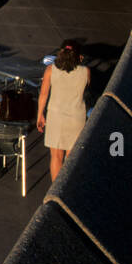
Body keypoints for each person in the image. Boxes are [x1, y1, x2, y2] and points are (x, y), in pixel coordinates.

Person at [37, 39, 91, 183]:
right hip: (76, 118)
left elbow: (43, 94)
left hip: (56, 117)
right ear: (79, 56)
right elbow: (87, 90)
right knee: (71, 158)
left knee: (56, 157)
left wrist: (40, 115)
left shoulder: (50, 70)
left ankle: (56, 190)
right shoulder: (86, 71)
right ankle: (68, 187)